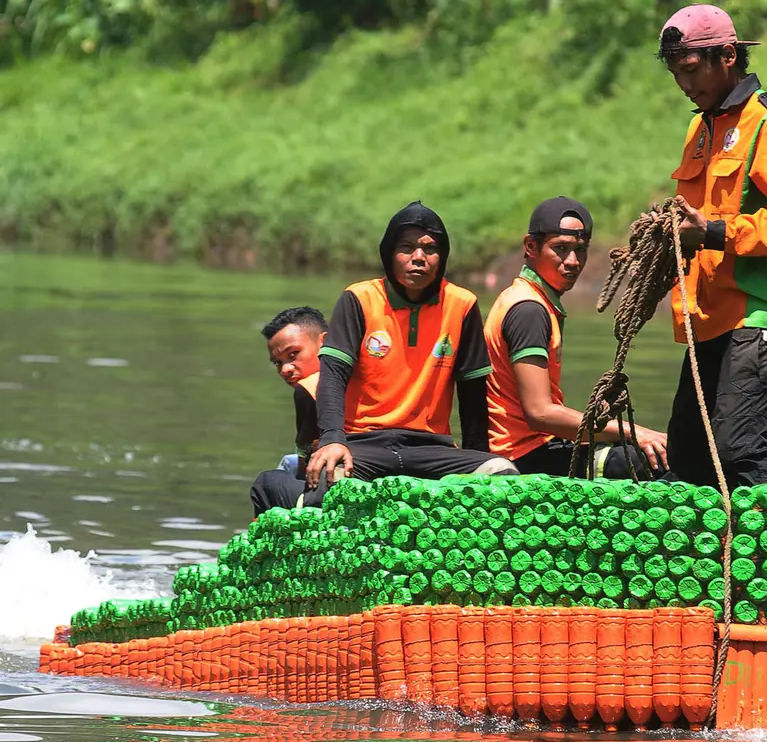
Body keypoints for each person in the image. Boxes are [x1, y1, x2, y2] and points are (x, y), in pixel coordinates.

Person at [658, 4, 767, 491]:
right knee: (686, 454)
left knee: (737, 451)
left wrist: (712, 233)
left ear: (727, 56)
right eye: (676, 75)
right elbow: (690, 215)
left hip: (762, 316)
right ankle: (711, 564)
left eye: (691, 71)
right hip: (709, 319)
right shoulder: (701, 127)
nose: (685, 86)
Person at [296, 202, 514, 501]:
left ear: (443, 256)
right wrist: (333, 440)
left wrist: (475, 463)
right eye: (407, 248)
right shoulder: (359, 299)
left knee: (501, 473)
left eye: (430, 249)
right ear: (389, 253)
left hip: (431, 448)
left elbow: (473, 396)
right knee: (327, 485)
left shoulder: (462, 304)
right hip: (362, 444)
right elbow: (332, 377)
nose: (419, 258)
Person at [484, 197, 668, 479]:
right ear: (531, 247)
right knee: (661, 461)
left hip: (544, 444)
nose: (572, 261)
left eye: (580, 250)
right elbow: (540, 413)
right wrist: (633, 432)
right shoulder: (529, 310)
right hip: (527, 454)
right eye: (560, 249)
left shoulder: (531, 299)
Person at [250, 307, 327, 513]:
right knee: (288, 461)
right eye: (278, 362)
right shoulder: (361, 369)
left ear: (324, 342)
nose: (285, 369)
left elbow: (305, 469)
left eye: (293, 354)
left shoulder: (310, 387)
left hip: (339, 479)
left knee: (267, 481)